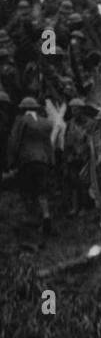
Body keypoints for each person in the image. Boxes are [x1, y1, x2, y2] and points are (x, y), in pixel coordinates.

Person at [6, 95, 55, 237]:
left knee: (27, 191)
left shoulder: (21, 121)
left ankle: (31, 220)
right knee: (42, 191)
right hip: (43, 161)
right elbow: (48, 145)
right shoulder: (45, 123)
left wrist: (10, 162)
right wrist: (51, 162)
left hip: (27, 161)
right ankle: (46, 216)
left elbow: (14, 142)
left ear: (23, 109)